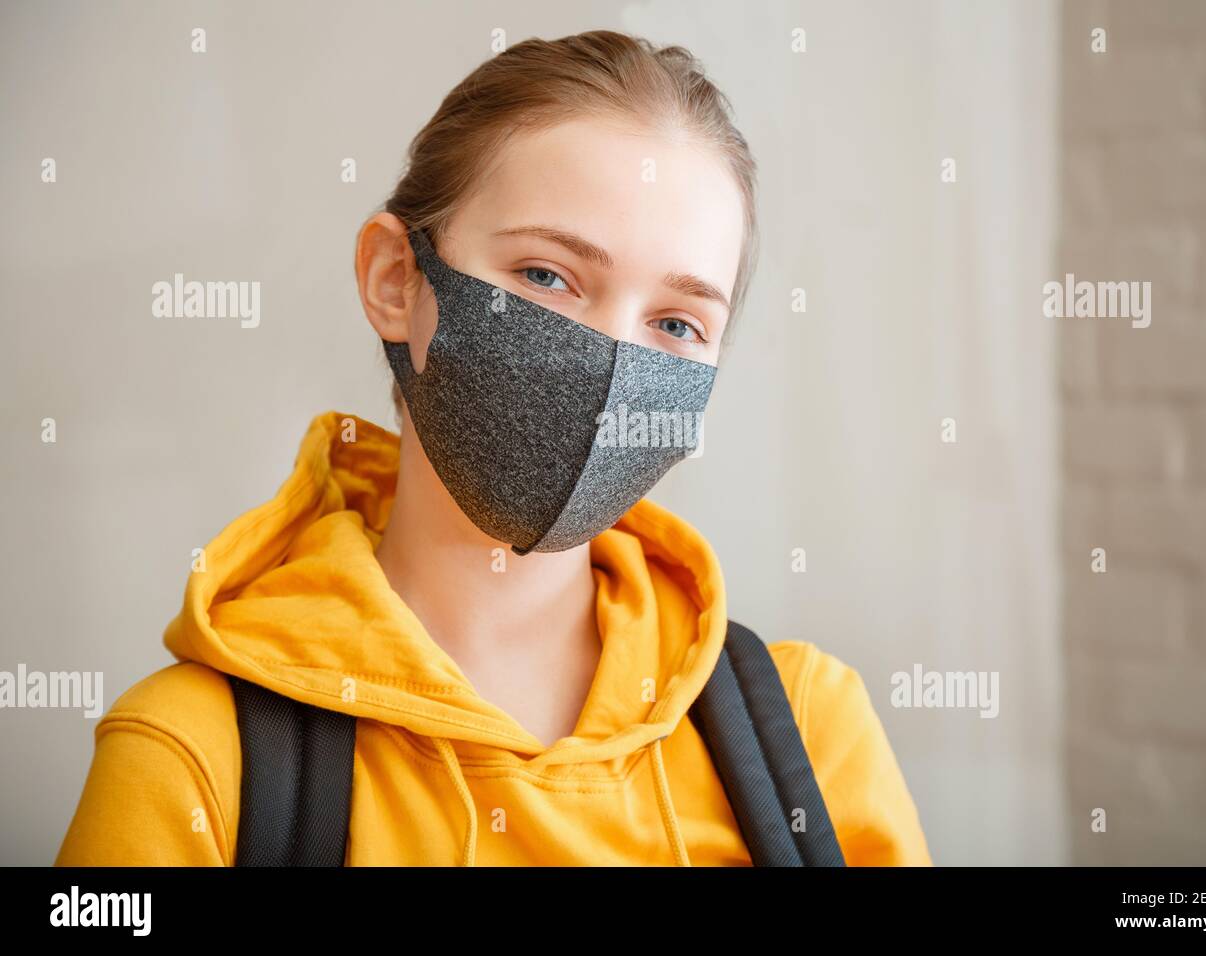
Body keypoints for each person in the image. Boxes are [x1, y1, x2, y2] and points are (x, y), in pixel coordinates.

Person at [55, 30, 931, 866]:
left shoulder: (806, 735)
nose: (612, 362)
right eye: (547, 276)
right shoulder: (198, 760)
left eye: (676, 322)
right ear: (397, 281)